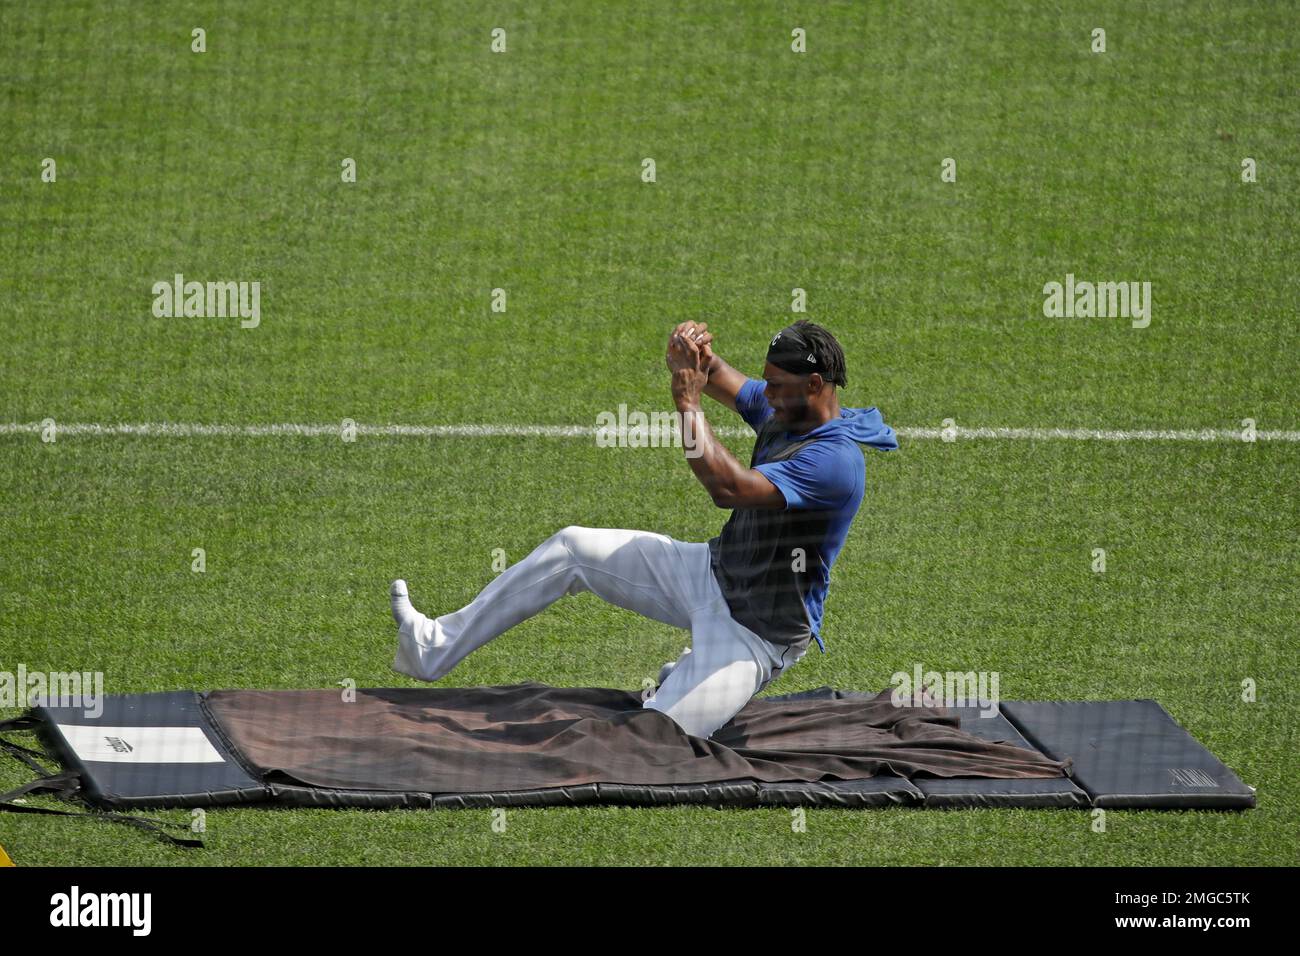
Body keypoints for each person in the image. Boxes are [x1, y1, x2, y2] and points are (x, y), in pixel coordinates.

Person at [389, 320, 898, 739]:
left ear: (815, 386)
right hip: (711, 572)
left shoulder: (834, 463)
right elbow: (718, 373)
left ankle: (695, 676)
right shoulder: (786, 406)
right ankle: (433, 645)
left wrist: (688, 405)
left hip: (756, 634)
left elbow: (728, 488)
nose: (766, 394)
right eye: (767, 382)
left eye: (778, 386)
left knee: (652, 741)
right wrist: (691, 352)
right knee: (571, 548)